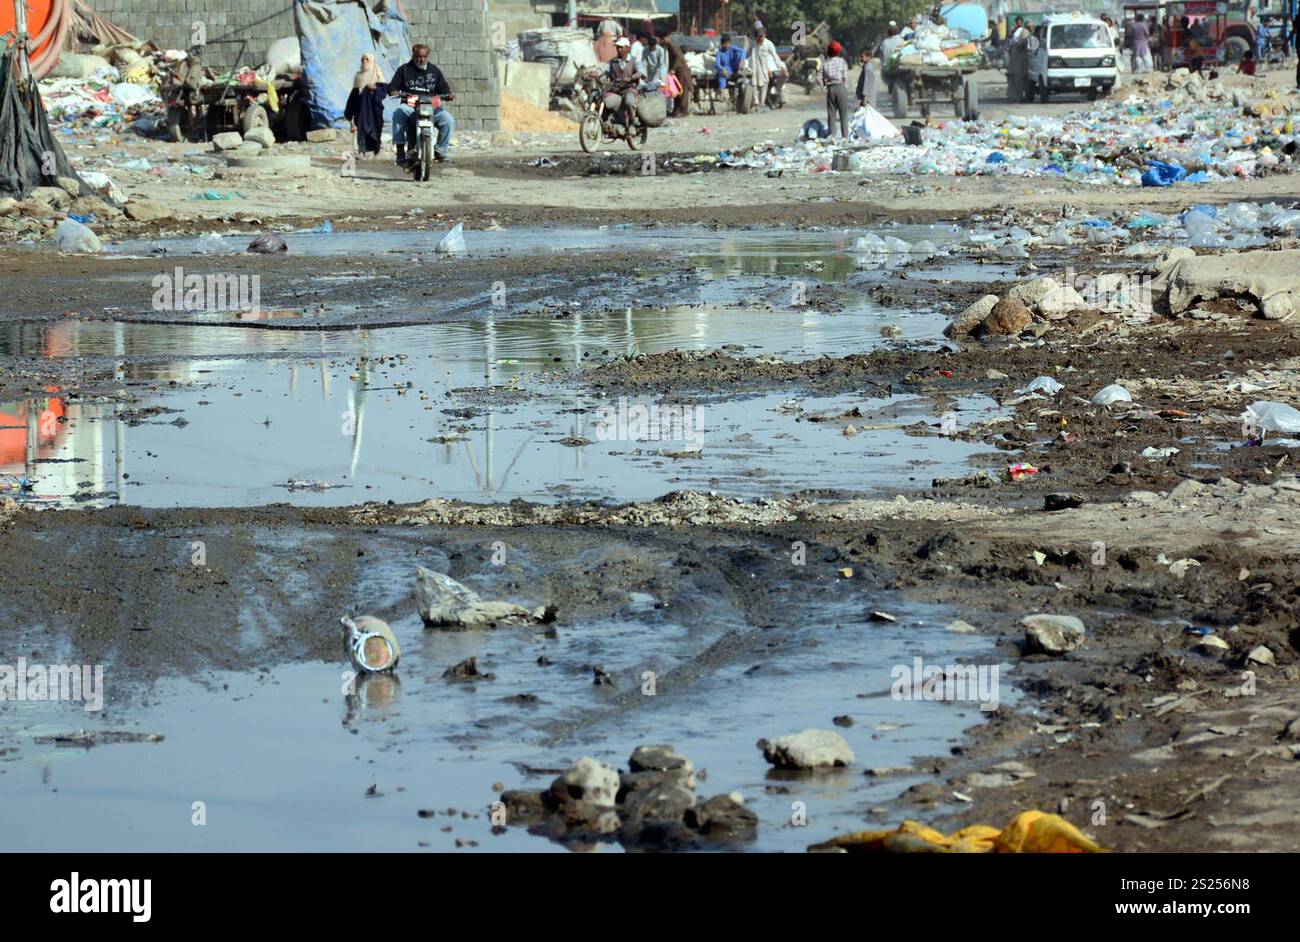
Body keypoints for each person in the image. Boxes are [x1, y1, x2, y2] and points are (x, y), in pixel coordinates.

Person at [388, 44, 455, 166]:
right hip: (411, 105)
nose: (422, 59)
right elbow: (393, 86)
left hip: (431, 105)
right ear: (413, 55)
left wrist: (448, 94)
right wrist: (394, 91)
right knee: (398, 114)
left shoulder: (434, 70)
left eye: (424, 57)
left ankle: (440, 151)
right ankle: (400, 150)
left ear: (427, 56)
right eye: (419, 57)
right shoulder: (404, 70)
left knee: (448, 120)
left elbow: (443, 87)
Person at [345, 52, 387, 159]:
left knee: (375, 128)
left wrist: (375, 88)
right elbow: (354, 94)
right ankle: (363, 150)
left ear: (372, 61)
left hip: (374, 110)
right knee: (362, 128)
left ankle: (374, 149)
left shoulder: (377, 74)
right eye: (362, 59)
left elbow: (383, 92)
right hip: (361, 109)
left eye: (367, 59)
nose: (364, 61)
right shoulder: (358, 76)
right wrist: (349, 111)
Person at [604, 36, 642, 125]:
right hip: (615, 89)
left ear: (628, 48)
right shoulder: (612, 61)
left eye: (621, 47)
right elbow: (603, 70)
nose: (619, 49)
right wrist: (594, 73)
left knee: (629, 102)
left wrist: (631, 77)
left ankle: (632, 121)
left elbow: (640, 72)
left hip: (629, 88)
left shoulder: (634, 60)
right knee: (604, 99)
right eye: (617, 47)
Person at [821, 40, 851, 139]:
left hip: (831, 88)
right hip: (840, 87)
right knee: (843, 113)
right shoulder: (842, 62)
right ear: (838, 52)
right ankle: (845, 135)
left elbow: (818, 77)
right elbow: (845, 76)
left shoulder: (825, 64)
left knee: (831, 113)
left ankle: (832, 135)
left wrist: (824, 86)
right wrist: (845, 88)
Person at [751, 27, 786, 110]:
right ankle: (755, 102)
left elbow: (775, 56)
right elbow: (747, 54)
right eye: (758, 36)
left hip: (764, 68)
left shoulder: (768, 44)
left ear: (764, 35)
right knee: (753, 84)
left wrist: (781, 66)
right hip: (754, 68)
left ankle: (762, 103)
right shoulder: (753, 44)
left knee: (764, 84)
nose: (760, 38)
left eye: (761, 36)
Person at [661, 35, 695, 117]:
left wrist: (673, 69)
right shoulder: (669, 47)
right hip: (677, 73)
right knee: (676, 92)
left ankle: (683, 111)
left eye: (664, 39)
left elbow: (678, 58)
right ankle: (676, 110)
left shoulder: (673, 46)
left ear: (668, 38)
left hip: (682, 72)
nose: (663, 40)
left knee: (683, 92)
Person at [856, 46, 877, 111]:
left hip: (867, 99)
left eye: (862, 56)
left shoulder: (867, 68)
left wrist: (864, 99)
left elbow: (866, 84)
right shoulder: (868, 66)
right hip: (868, 97)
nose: (860, 58)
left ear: (868, 57)